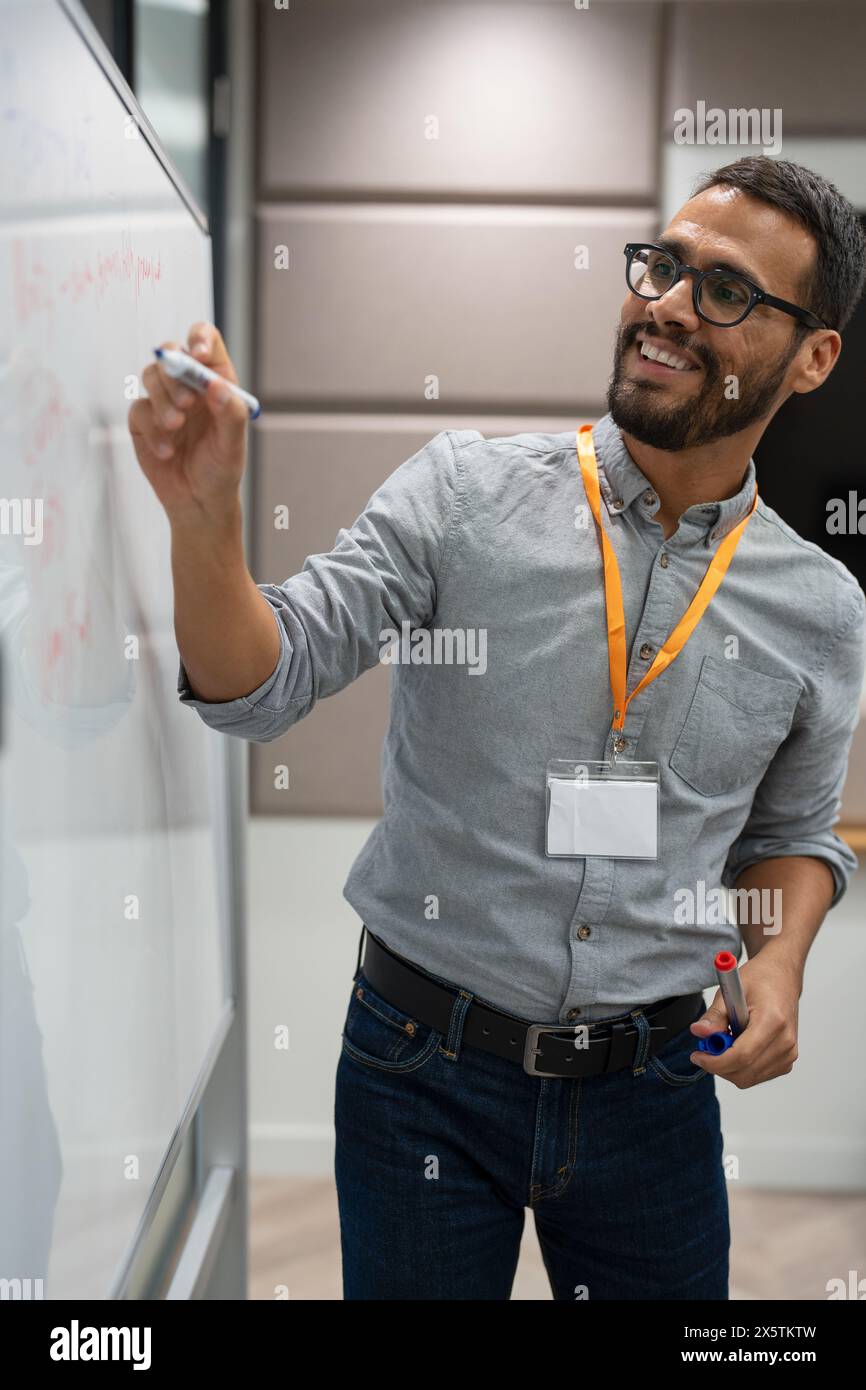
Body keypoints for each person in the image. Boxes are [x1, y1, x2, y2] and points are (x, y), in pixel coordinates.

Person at [128, 156, 866, 1301]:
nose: (666, 304)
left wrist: (779, 961)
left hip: (655, 1085)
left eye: (722, 289)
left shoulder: (818, 608)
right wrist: (204, 520)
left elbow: (794, 834)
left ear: (812, 354)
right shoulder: (463, 495)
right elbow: (259, 686)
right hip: (419, 1066)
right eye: (661, 266)